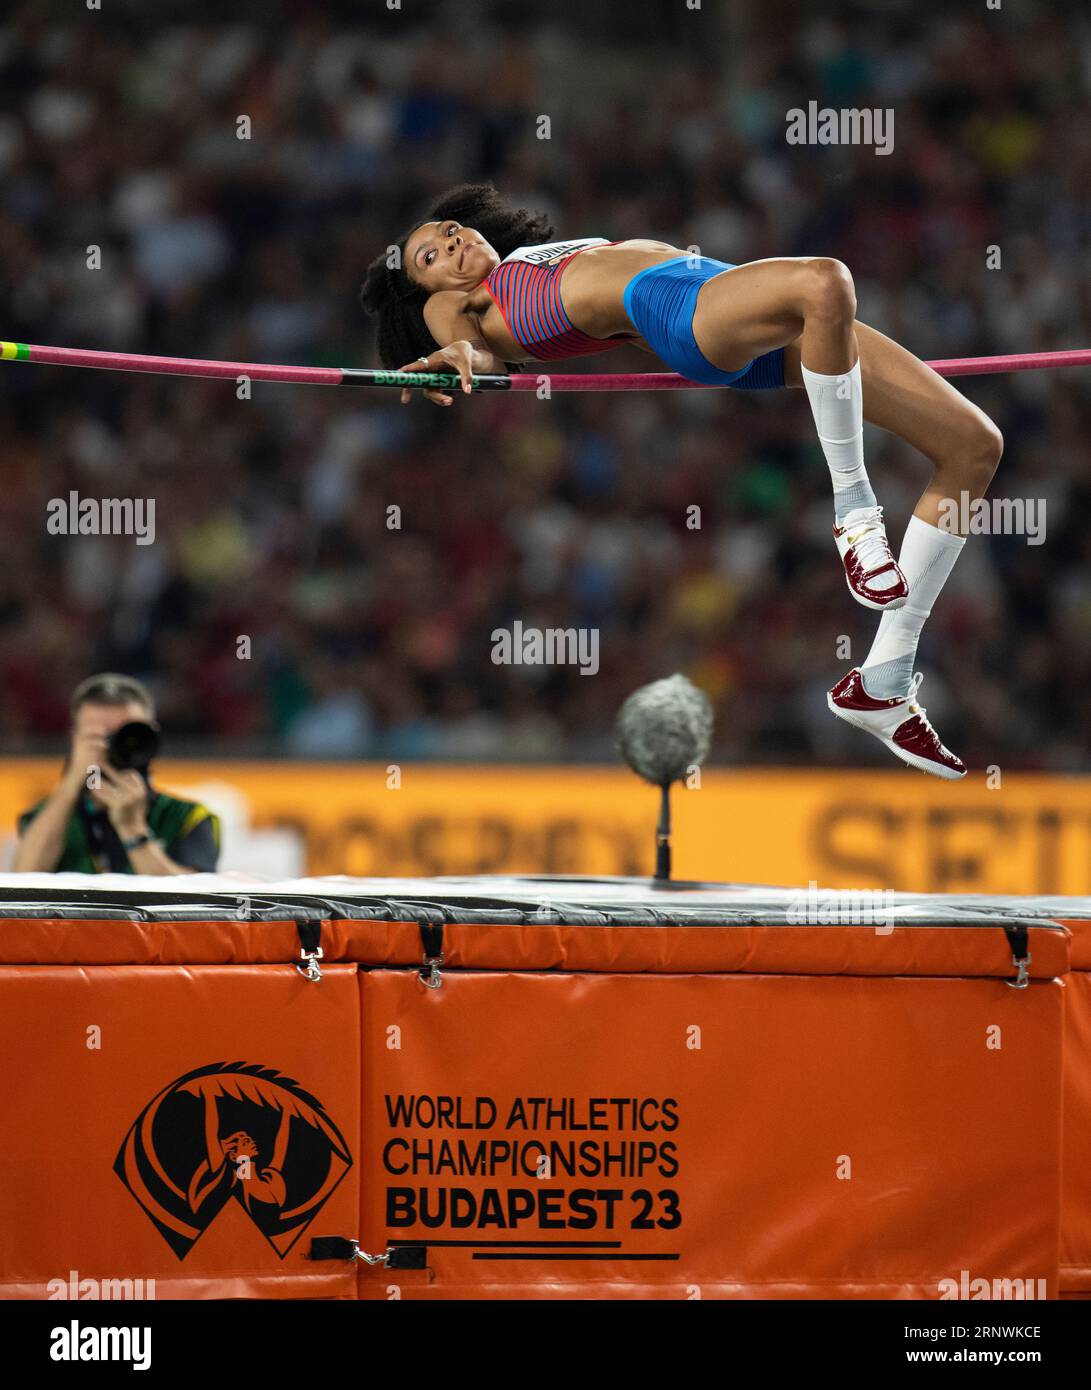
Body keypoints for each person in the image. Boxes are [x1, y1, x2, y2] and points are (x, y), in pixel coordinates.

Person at [362, 183, 1004, 779]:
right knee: (824, 280)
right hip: (686, 312)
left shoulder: (522, 260)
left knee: (973, 445)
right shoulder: (464, 302)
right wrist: (455, 355)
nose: (449, 244)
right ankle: (855, 512)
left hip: (727, 299)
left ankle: (884, 681)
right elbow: (472, 348)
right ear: (427, 294)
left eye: (448, 231)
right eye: (429, 257)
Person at [14, 673, 220, 874]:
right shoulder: (48, 816)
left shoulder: (186, 817)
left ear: (151, 737)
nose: (112, 747)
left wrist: (133, 830)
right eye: (98, 736)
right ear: (75, 740)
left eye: (127, 735)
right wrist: (71, 782)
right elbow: (24, 880)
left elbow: (194, 902)